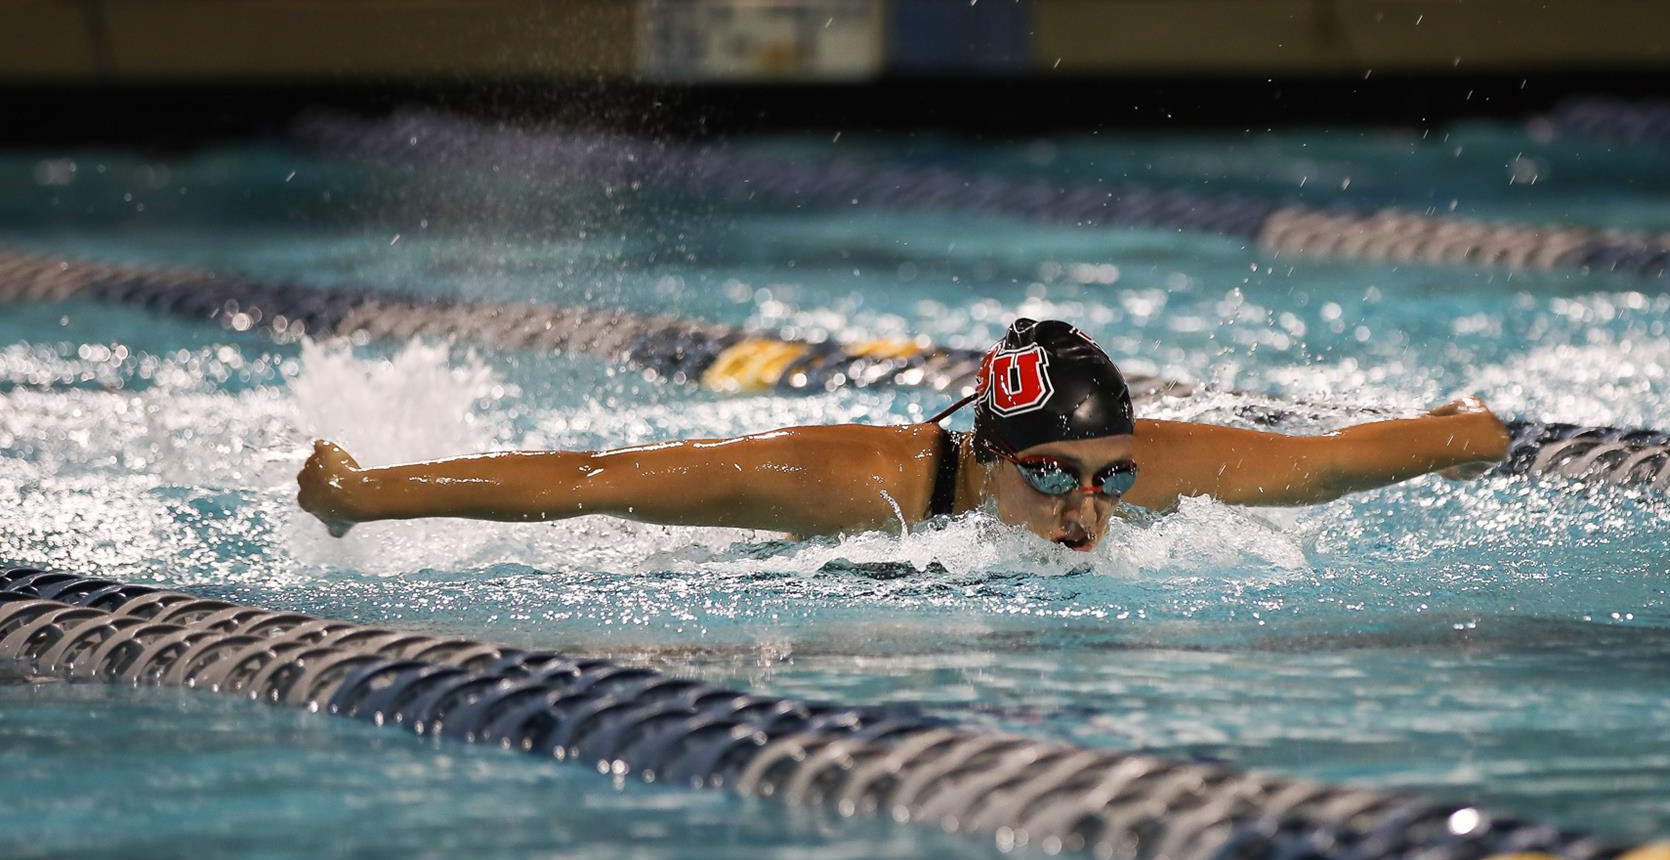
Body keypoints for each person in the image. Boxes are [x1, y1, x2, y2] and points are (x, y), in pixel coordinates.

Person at [297, 319, 1512, 554]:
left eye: (1109, 479)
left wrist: (1466, 433)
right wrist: (366, 493)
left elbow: (1338, 460)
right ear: (987, 454)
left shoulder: (1143, 479)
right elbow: (594, 482)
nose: (1088, 513)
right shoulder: (849, 486)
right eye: (1051, 477)